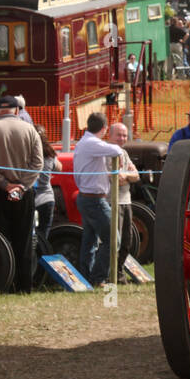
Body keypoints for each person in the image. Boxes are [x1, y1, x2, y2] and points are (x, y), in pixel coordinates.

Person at [0, 95, 43, 293]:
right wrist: (21, 186)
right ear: (16, 110)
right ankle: (24, 286)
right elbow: (38, 163)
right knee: (23, 239)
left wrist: (5, 184)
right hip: (24, 193)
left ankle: (3, 284)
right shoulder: (30, 129)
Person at [72, 112, 134, 287]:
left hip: (86, 197)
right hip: (94, 200)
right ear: (105, 129)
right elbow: (116, 149)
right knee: (114, 240)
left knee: (90, 240)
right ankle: (98, 278)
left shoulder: (84, 142)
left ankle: (86, 276)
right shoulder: (92, 143)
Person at [106, 120, 140, 283]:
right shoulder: (108, 154)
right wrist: (128, 176)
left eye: (125, 135)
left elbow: (136, 176)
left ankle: (119, 273)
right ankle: (111, 275)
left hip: (126, 201)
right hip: (113, 202)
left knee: (127, 241)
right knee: (115, 242)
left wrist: (125, 176)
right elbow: (116, 180)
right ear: (109, 136)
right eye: (118, 135)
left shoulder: (124, 153)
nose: (122, 138)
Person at [33, 126, 62, 261]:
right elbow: (59, 167)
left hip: (31, 198)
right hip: (46, 198)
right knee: (44, 236)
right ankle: (42, 263)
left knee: (30, 235)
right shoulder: (50, 154)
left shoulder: (28, 152)